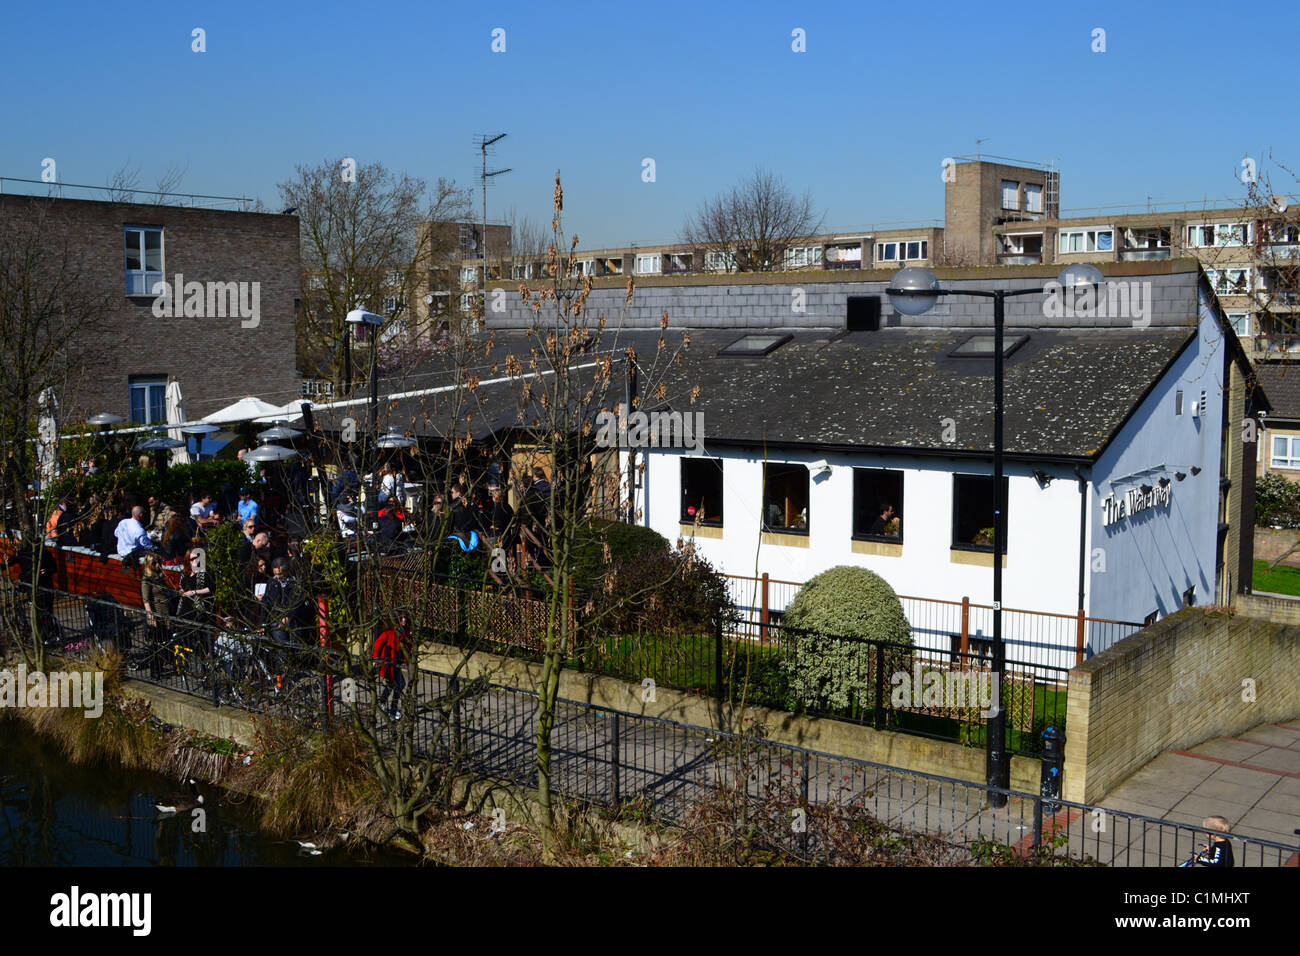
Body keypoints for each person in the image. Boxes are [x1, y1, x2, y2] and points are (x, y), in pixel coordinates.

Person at [261, 557, 309, 645]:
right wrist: (262, 623)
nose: (278, 577)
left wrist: (289, 616)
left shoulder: (295, 583)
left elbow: (297, 601)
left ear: (286, 571)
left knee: (297, 647)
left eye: (280, 574)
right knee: (282, 649)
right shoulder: (271, 582)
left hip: (294, 621)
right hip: (276, 620)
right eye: (275, 574)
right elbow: (266, 602)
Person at [372, 612, 411, 720]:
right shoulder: (389, 633)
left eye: (405, 618)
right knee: (397, 684)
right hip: (389, 664)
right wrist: (375, 658)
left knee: (396, 684)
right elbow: (378, 644)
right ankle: (391, 707)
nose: (404, 620)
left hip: (397, 664)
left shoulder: (405, 631)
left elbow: (408, 646)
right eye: (402, 618)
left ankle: (384, 703)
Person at [139, 554, 171, 679]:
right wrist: (150, 615)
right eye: (154, 563)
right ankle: (155, 670)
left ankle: (161, 665)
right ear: (149, 565)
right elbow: (146, 600)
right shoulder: (147, 579)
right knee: (156, 643)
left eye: (158, 562)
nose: (157, 565)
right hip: (156, 613)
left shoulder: (159, 577)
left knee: (164, 640)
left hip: (165, 612)